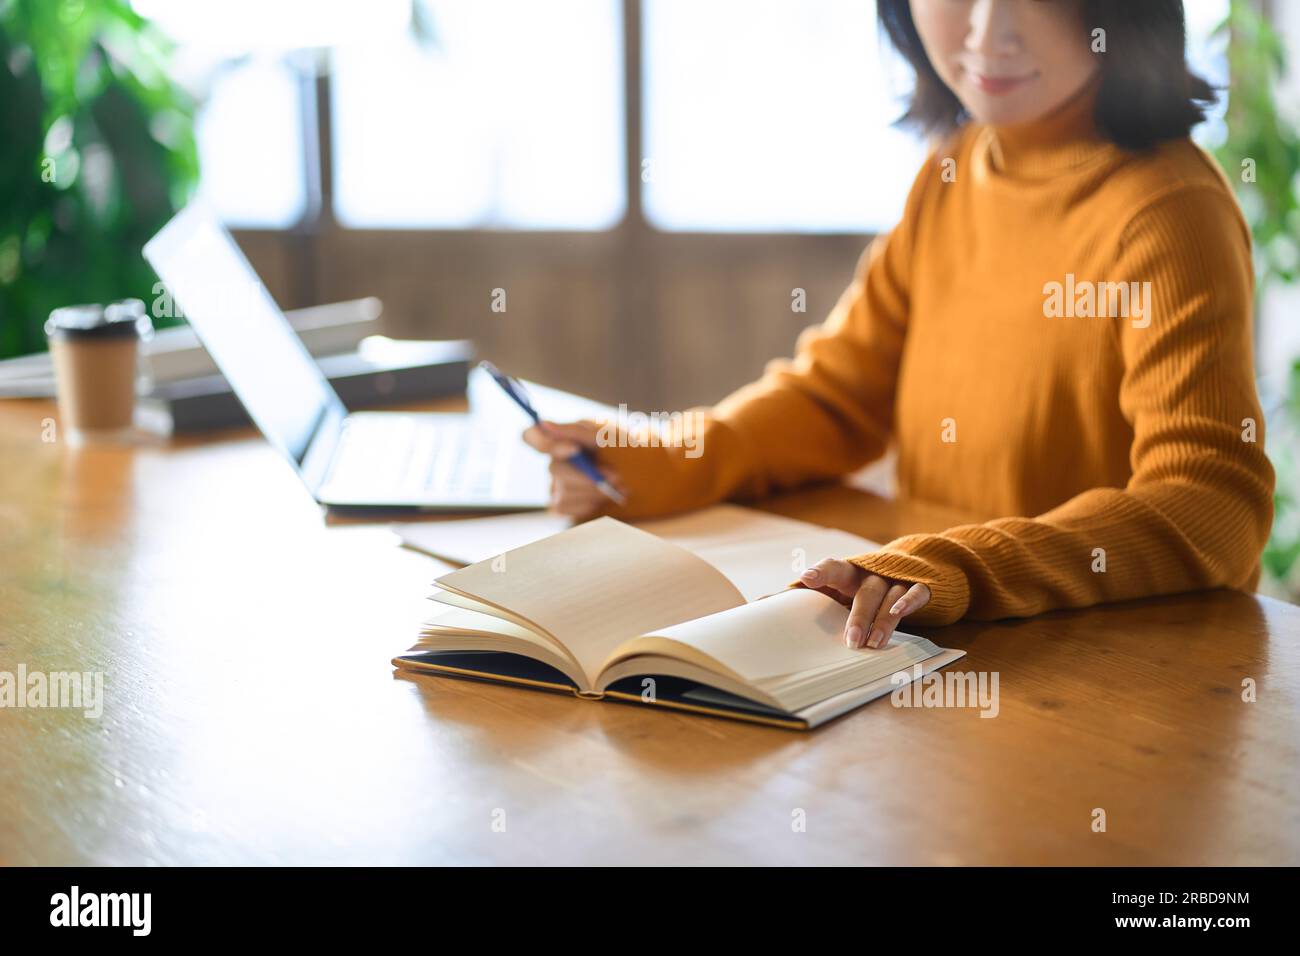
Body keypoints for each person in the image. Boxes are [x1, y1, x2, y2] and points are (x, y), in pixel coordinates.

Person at [525, 0, 1275, 650]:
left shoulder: (1169, 212)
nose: (988, 33)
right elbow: (834, 400)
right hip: (949, 652)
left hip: (1116, 678)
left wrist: (963, 568)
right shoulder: (953, 173)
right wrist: (658, 460)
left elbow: (1209, 504)